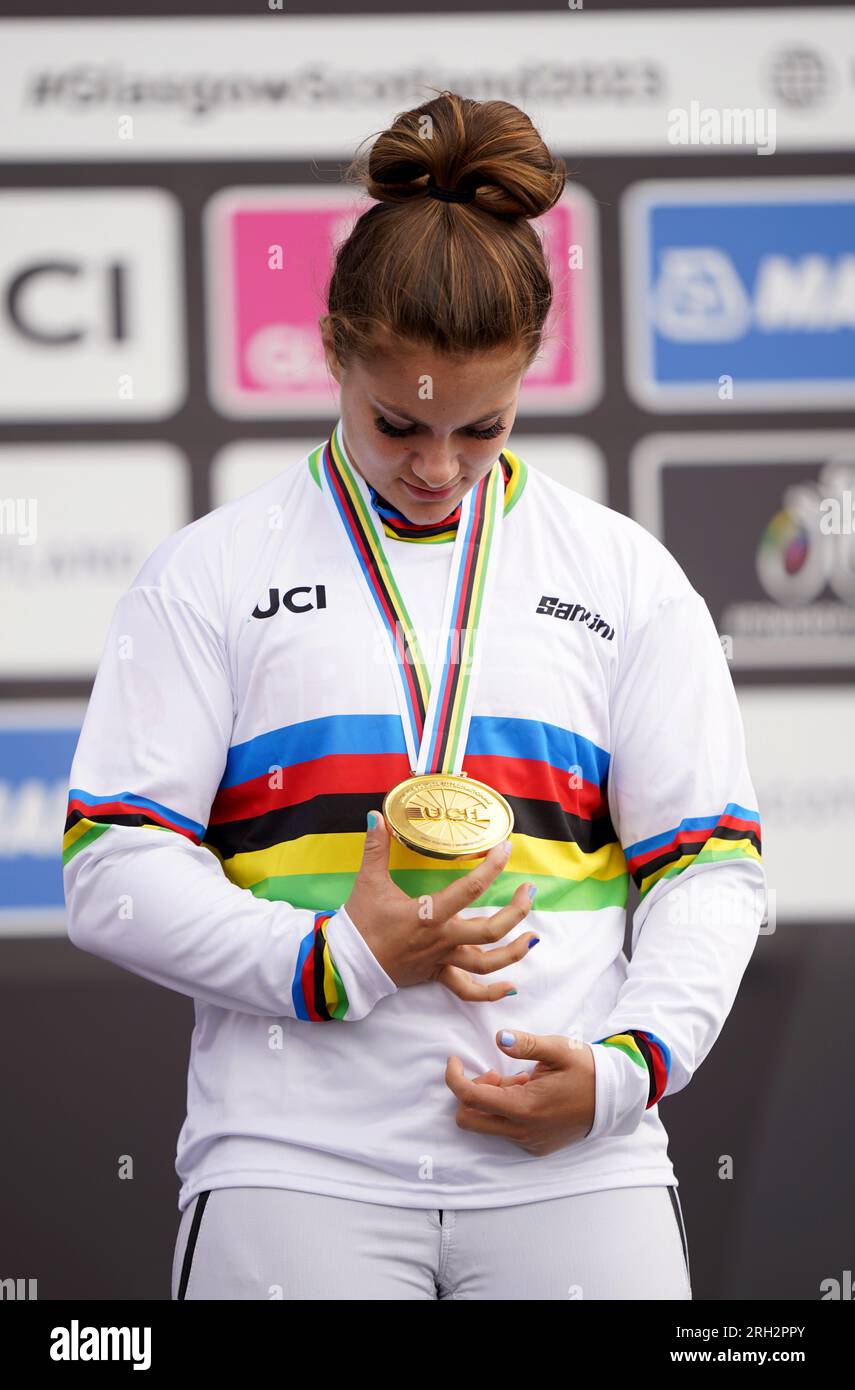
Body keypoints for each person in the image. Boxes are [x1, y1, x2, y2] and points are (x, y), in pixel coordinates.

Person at [62, 90, 766, 1301]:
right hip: (296, 1166)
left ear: (528, 377)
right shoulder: (212, 571)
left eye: (481, 431)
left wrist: (627, 1068)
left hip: (575, 1169)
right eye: (399, 426)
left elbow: (711, 868)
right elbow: (108, 870)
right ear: (333, 347)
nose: (438, 469)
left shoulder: (624, 575)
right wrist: (327, 960)